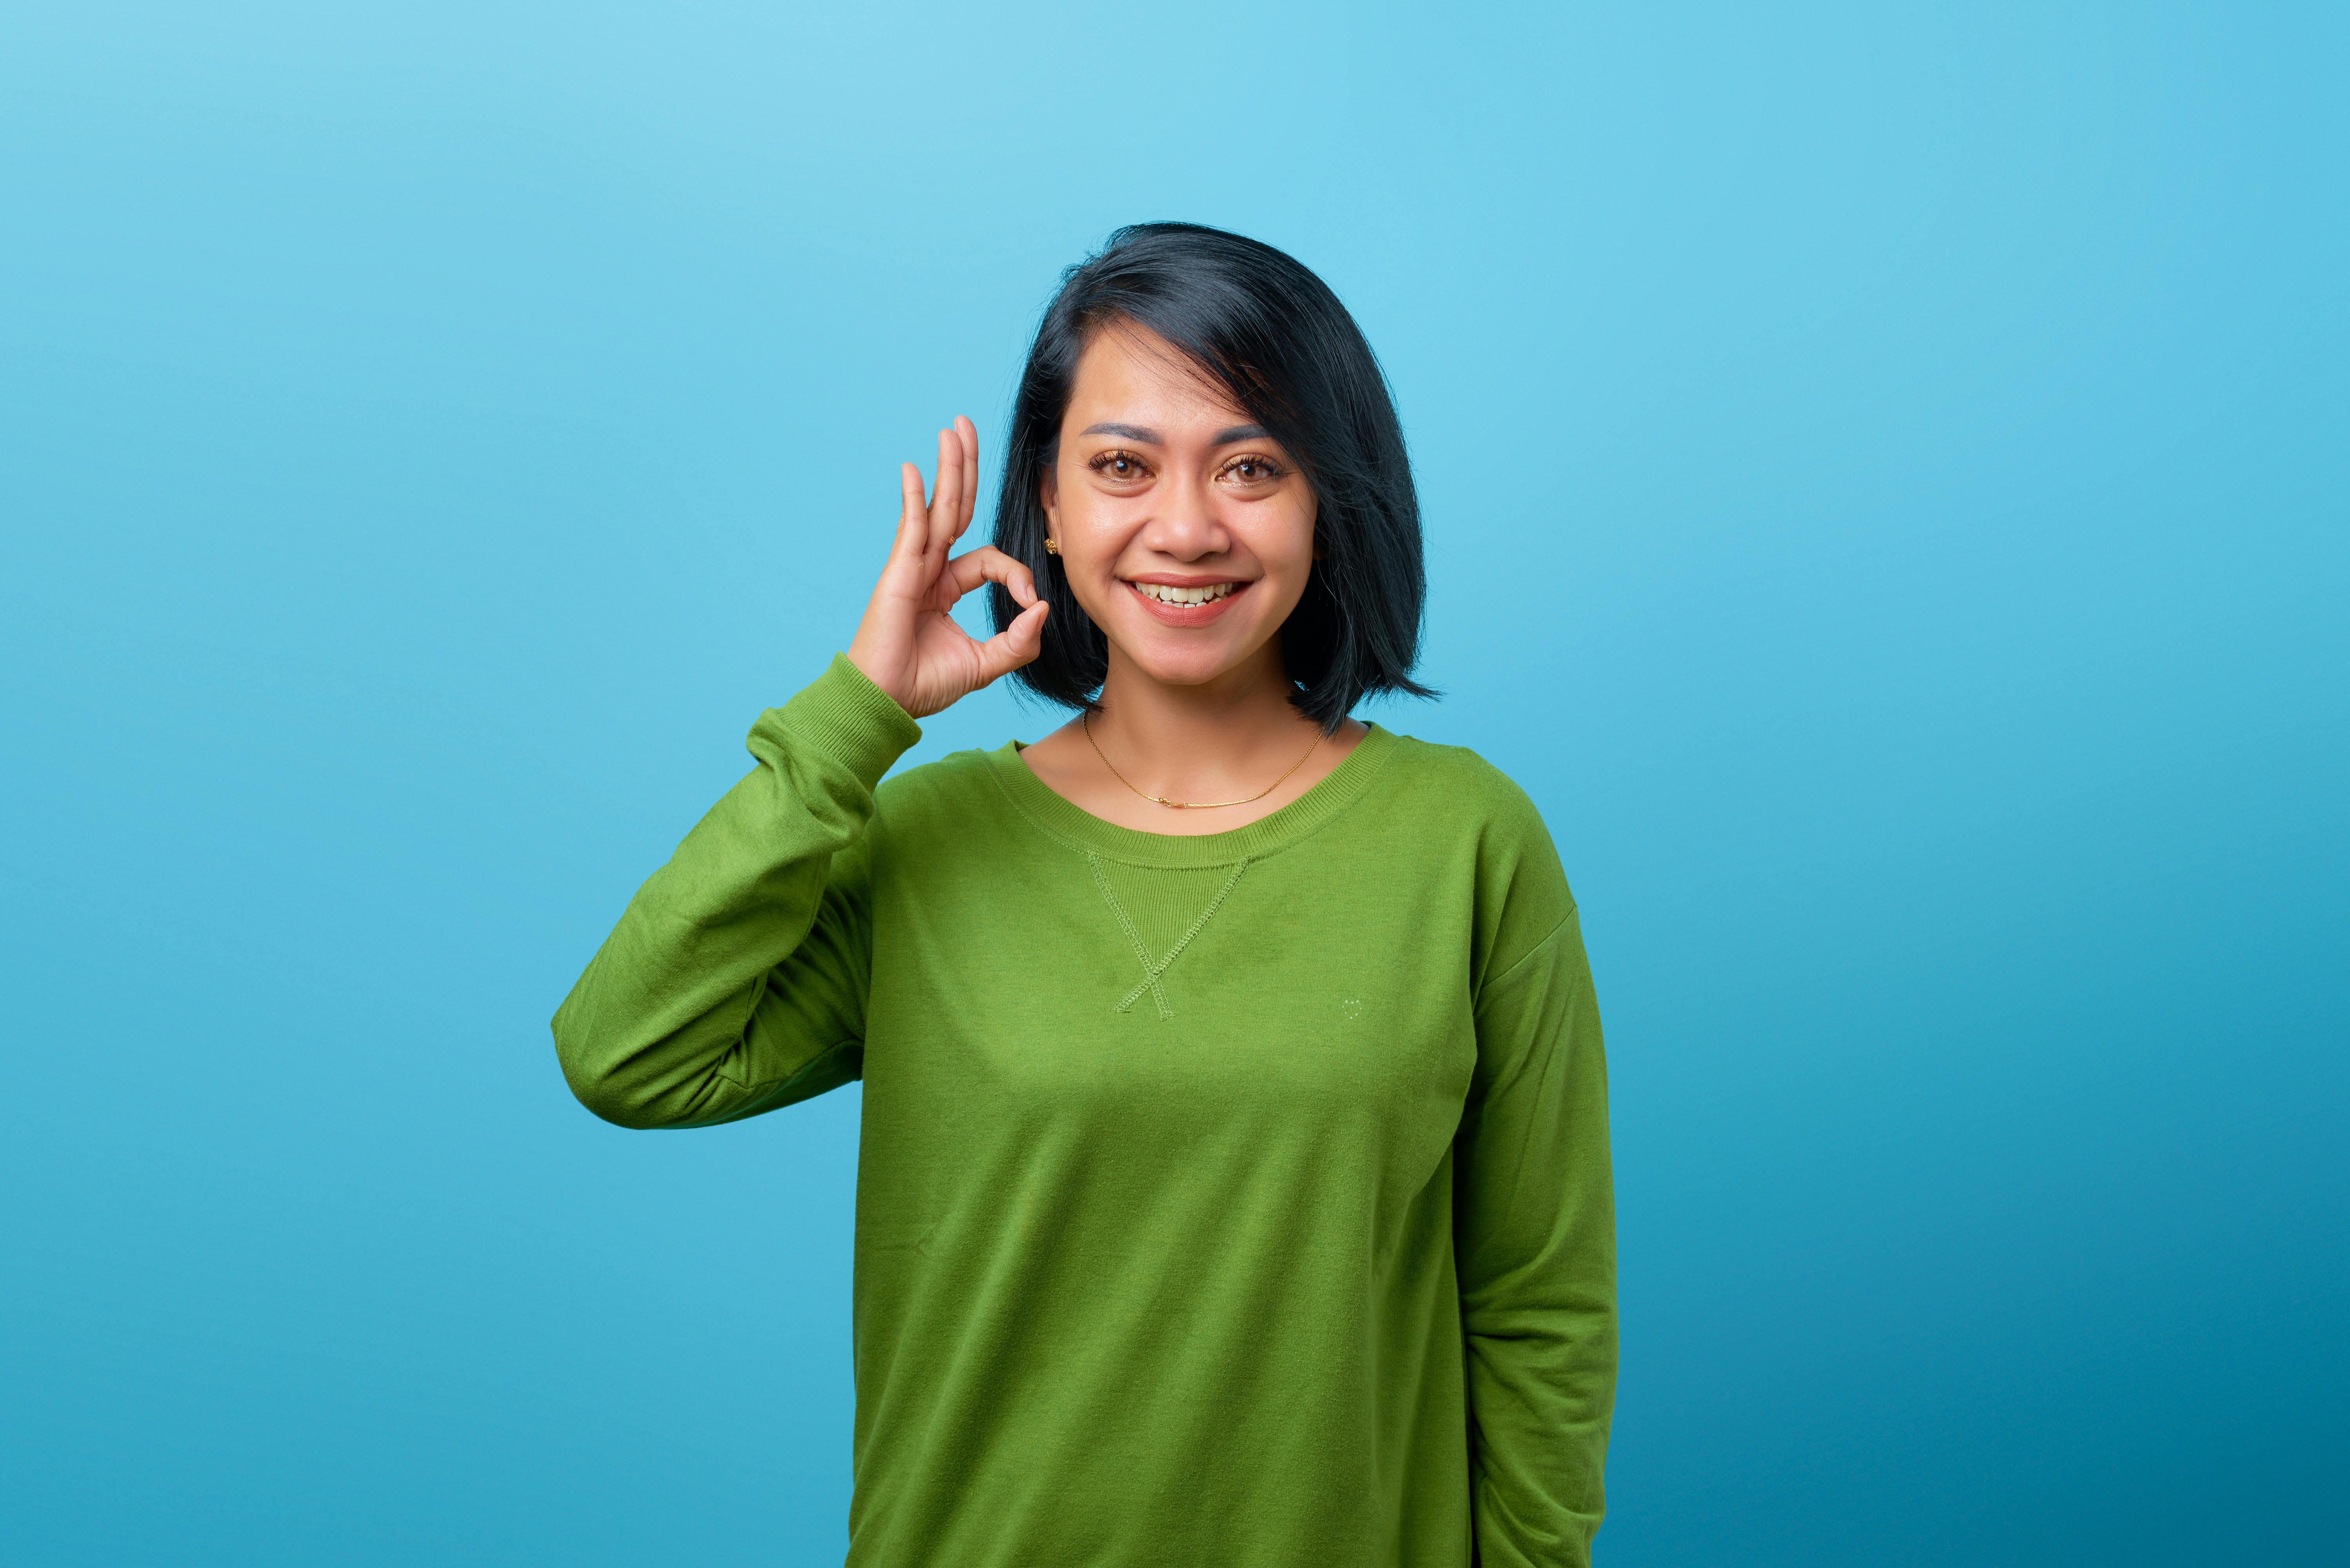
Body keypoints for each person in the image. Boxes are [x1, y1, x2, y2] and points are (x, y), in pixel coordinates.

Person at [552, 222, 1616, 1567]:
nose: (1187, 526)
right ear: (1047, 506)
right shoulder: (930, 840)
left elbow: (1540, 1308)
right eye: (1122, 465)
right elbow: (626, 1050)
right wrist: (857, 716)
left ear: (1326, 500)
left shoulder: (1464, 842)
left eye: (1251, 466)